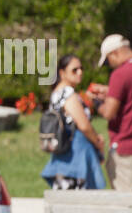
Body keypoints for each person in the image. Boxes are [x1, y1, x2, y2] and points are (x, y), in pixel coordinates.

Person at [89, 34, 132, 191]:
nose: (111, 65)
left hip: (127, 149)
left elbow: (109, 112)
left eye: (108, 60)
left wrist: (97, 103)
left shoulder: (120, 74)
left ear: (115, 53)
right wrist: (110, 91)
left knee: (126, 202)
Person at [41, 54, 106, 190]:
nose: (80, 72)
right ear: (62, 73)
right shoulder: (68, 93)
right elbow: (83, 125)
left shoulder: (56, 93)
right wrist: (98, 142)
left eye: (81, 69)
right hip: (76, 155)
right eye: (74, 70)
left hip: (63, 156)